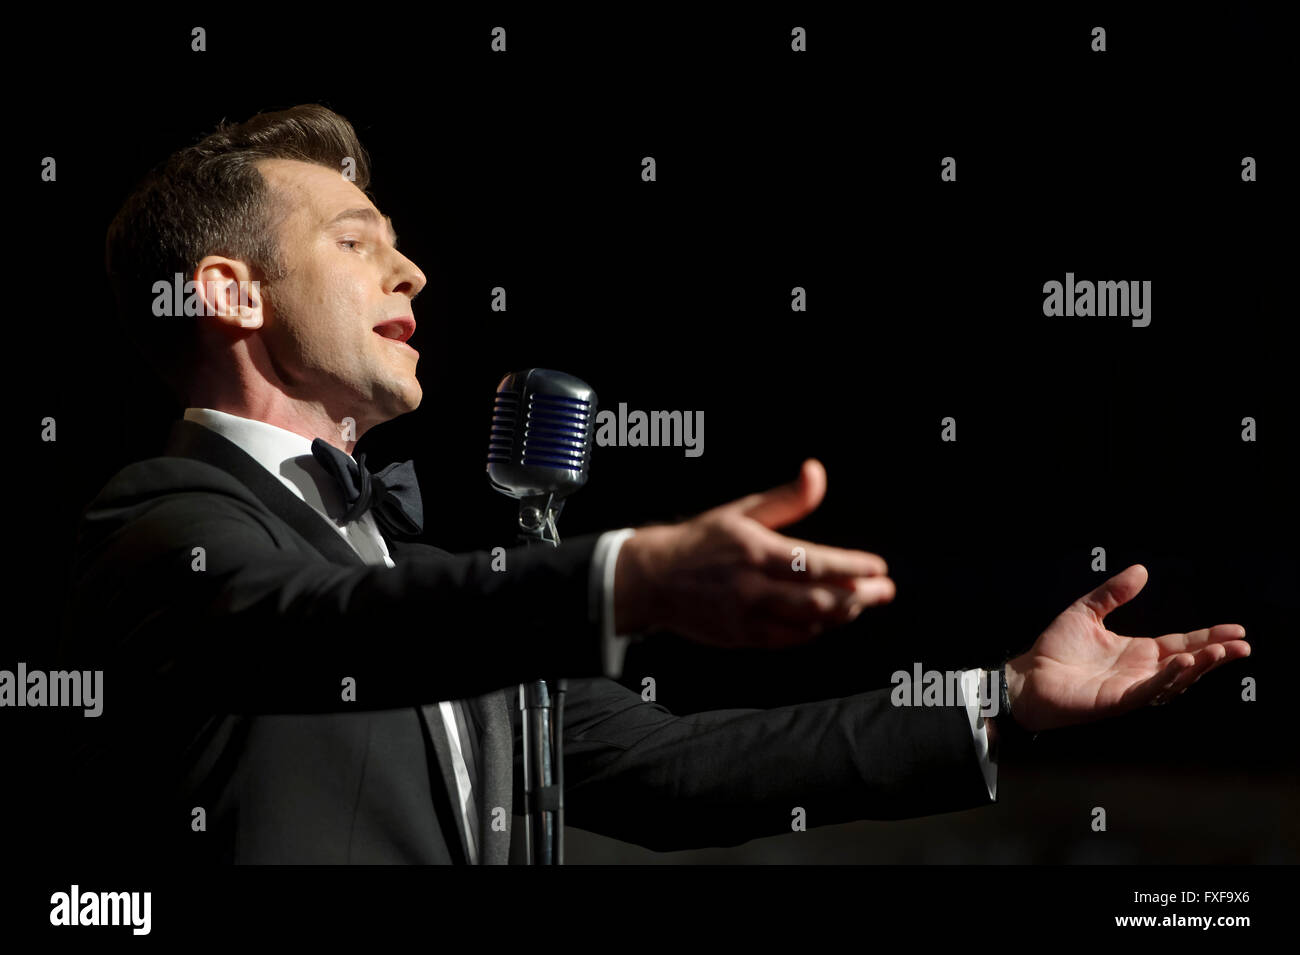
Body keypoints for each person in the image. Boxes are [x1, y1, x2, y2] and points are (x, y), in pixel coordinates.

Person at [63, 105, 1250, 864]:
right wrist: (627, 576)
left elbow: (677, 770)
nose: (411, 264)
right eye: (355, 238)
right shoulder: (161, 523)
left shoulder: (411, 572)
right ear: (226, 292)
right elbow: (321, 631)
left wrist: (998, 698)